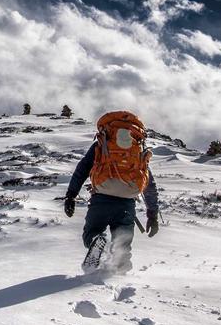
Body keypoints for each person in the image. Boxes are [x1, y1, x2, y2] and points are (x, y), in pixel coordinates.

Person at [63, 111, 160, 271]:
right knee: (122, 244)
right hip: (127, 203)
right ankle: (120, 274)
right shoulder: (136, 149)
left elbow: (82, 170)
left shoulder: (101, 145)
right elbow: (149, 184)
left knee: (91, 233)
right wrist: (152, 215)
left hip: (101, 199)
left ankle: (97, 241)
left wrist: (71, 196)